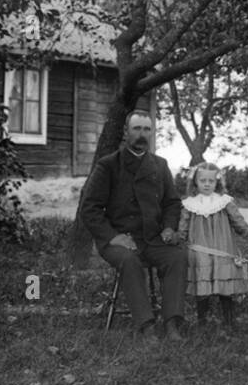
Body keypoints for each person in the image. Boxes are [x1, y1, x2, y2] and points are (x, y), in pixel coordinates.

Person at [79, 110, 187, 340]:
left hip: (152, 238)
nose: (142, 134)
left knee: (177, 256)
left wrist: (169, 228)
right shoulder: (108, 165)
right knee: (129, 260)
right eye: (137, 129)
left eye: (147, 129)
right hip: (118, 239)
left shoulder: (160, 165)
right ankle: (146, 325)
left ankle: (172, 323)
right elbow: (89, 208)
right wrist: (112, 237)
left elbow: (172, 203)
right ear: (126, 132)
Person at [178, 162, 248, 328]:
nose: (206, 184)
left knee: (225, 284)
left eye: (210, 181)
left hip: (223, 248)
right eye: (202, 180)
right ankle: (202, 323)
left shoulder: (224, 201)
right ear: (195, 182)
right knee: (202, 284)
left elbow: (238, 221)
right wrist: (179, 240)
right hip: (199, 250)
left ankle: (229, 322)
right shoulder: (189, 204)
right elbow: (183, 227)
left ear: (217, 182)